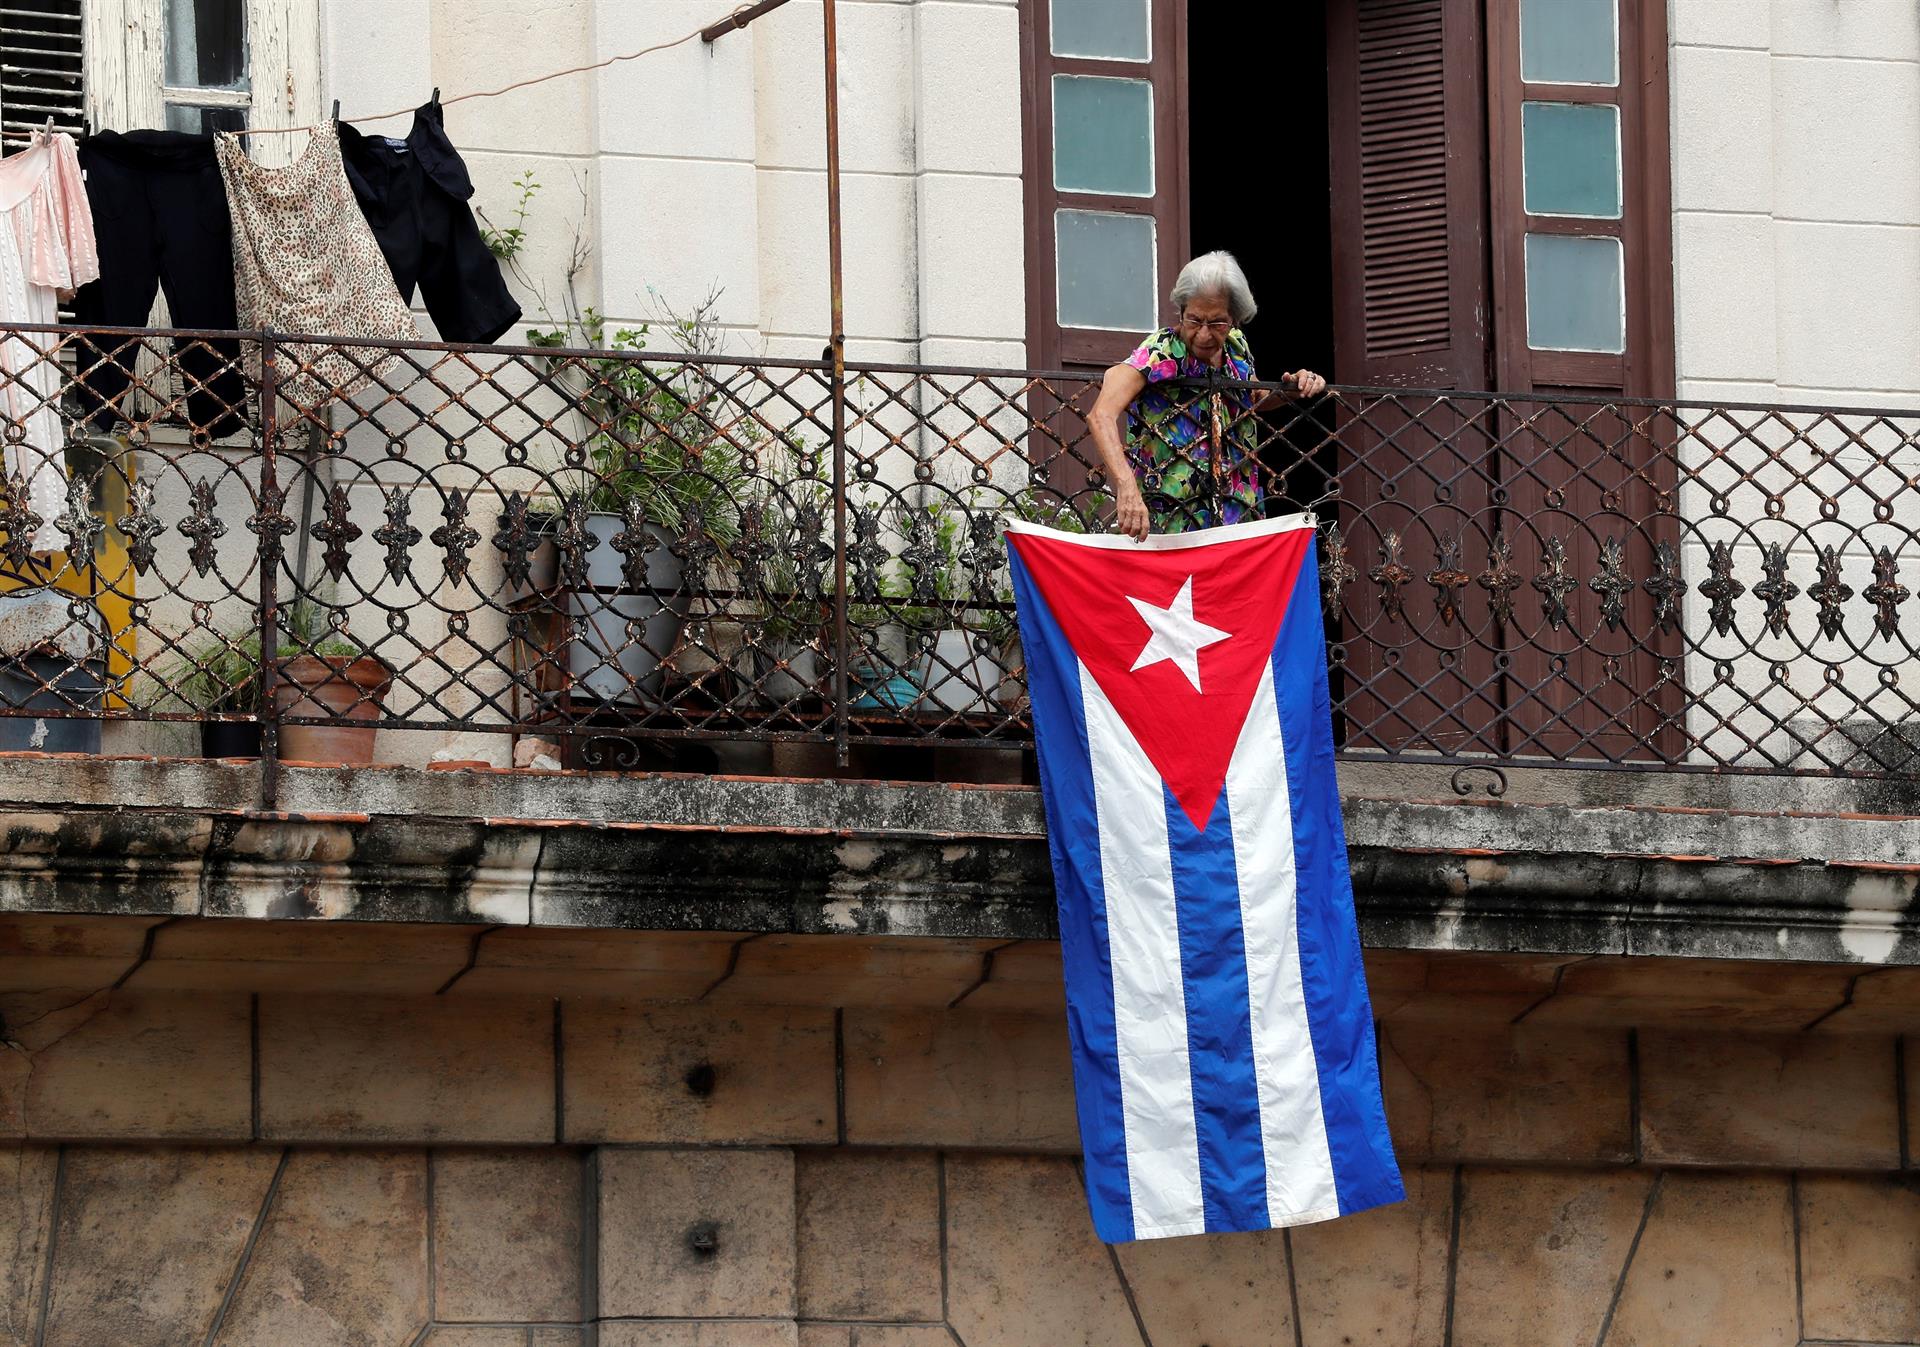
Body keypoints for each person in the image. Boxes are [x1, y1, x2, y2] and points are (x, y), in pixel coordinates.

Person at [1087, 251, 1326, 541]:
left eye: (1217, 323)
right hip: (1173, 516)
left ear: (1235, 319)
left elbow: (1252, 397)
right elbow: (1101, 415)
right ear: (1181, 312)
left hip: (1235, 510)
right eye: (1194, 320)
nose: (1203, 334)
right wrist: (1126, 486)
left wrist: (1292, 389)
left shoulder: (1236, 347)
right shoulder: (1161, 351)